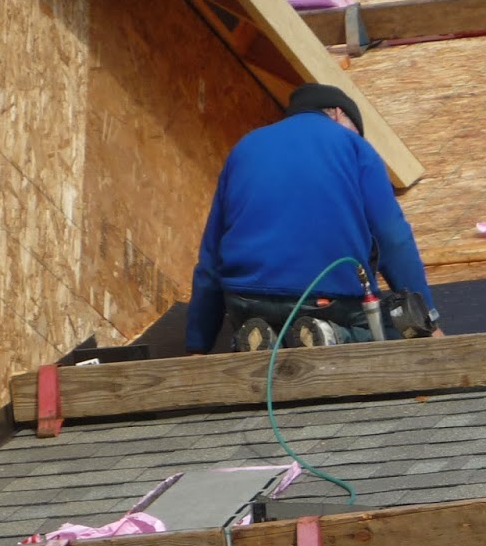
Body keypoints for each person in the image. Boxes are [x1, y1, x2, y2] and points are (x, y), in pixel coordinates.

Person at [184, 83, 441, 353]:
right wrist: (428, 321)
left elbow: (210, 258)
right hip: (329, 301)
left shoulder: (244, 148)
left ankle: (260, 338)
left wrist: (198, 345)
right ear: (339, 114)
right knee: (392, 328)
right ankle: (333, 335)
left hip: (246, 300)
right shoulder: (354, 146)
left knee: (259, 323)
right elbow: (392, 237)